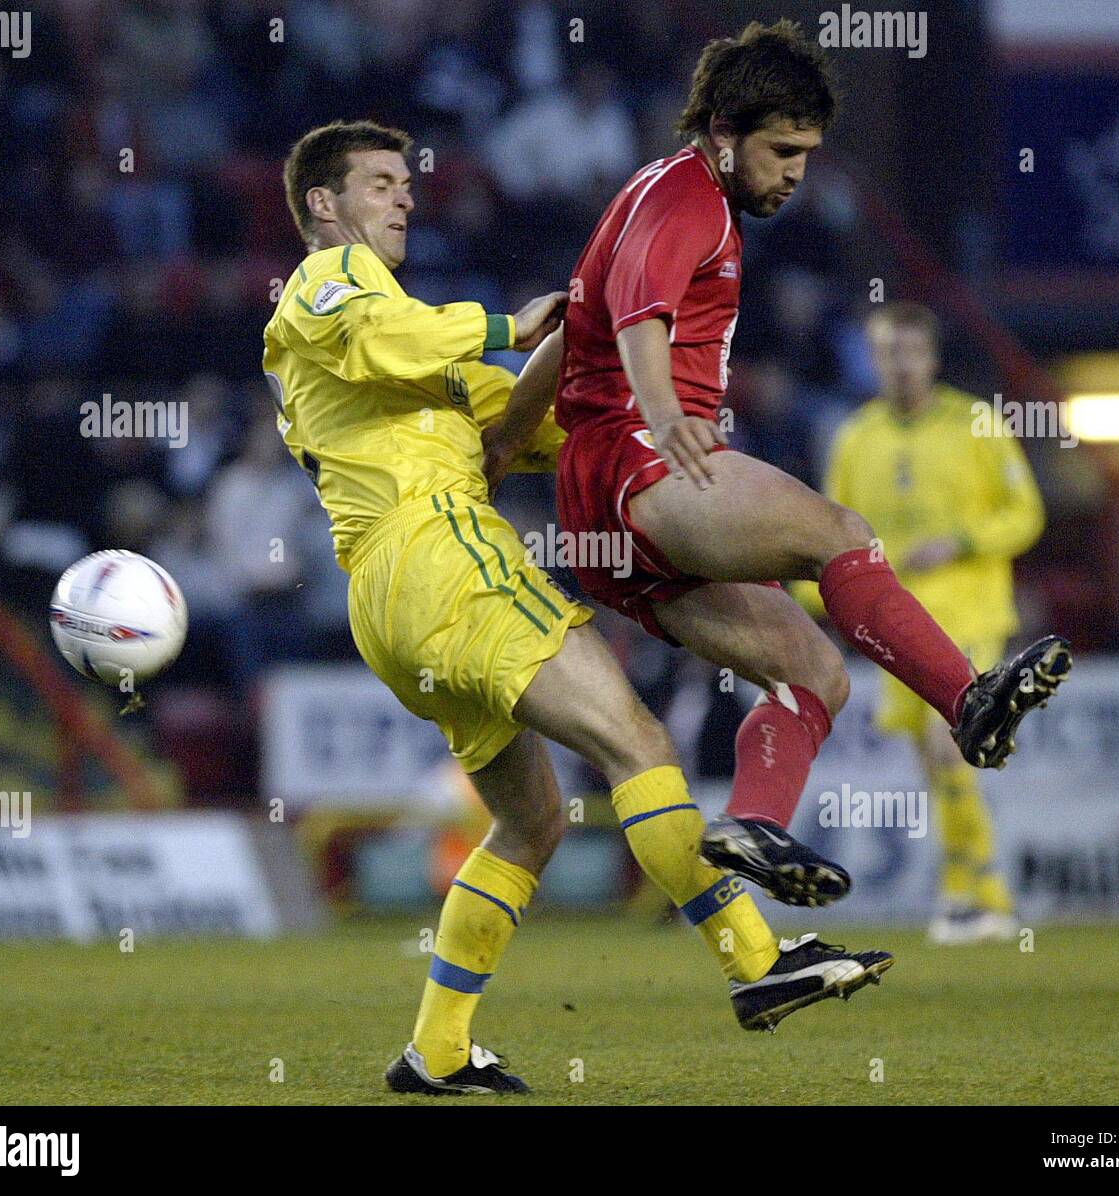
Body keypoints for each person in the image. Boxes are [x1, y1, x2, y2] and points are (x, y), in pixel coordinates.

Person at [263, 119, 892, 1096]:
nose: (403, 197)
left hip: (390, 600)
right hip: (440, 553)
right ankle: (757, 960)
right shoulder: (326, 288)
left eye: (406, 183)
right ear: (321, 203)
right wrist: (512, 321)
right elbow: (396, 334)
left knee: (531, 822)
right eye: (380, 182)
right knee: (636, 741)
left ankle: (433, 1050)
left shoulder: (403, 351)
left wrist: (649, 442)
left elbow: (528, 420)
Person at [552, 20, 1072, 908]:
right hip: (642, 457)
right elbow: (639, 315)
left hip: (606, 502)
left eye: (808, 152)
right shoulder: (687, 196)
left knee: (815, 674)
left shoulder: (670, 194)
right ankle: (969, 701)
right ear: (724, 134)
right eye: (782, 149)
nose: (796, 171)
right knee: (841, 534)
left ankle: (751, 821)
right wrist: (667, 414)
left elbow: (573, 321)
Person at [818, 303, 1046, 943]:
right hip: (897, 626)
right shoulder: (855, 437)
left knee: (950, 750)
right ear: (872, 357)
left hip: (967, 611)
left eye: (910, 351)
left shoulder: (976, 421)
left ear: (933, 357)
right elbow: (835, 532)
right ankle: (978, 895)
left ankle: (975, 895)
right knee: (935, 762)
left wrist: (962, 541)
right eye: (886, 352)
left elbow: (1026, 514)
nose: (899, 364)